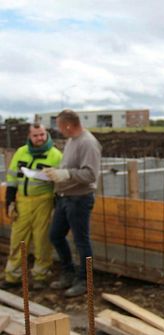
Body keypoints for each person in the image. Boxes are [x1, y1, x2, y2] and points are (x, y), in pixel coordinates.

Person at [43, 109, 102, 297]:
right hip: (64, 196)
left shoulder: (88, 143)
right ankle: (68, 273)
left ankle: (85, 280)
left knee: (81, 240)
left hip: (79, 199)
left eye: (60, 126)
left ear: (68, 125)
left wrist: (66, 174)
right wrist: (58, 172)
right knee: (56, 236)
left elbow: (90, 174)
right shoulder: (71, 141)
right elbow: (71, 168)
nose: (59, 130)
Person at [1, 124, 62, 289]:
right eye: (36, 135)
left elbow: (60, 183)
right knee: (17, 239)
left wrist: (56, 204)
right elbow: (12, 177)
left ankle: (40, 276)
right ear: (29, 136)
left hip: (44, 201)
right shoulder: (21, 152)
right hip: (23, 201)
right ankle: (13, 276)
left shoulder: (55, 155)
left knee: (42, 240)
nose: (40, 138)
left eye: (42, 134)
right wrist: (10, 201)